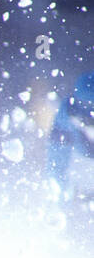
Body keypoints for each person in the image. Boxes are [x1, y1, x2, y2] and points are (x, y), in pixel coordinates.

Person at [45, 71, 94, 204]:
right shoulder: (67, 114)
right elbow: (56, 161)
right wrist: (61, 194)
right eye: (87, 119)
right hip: (79, 178)